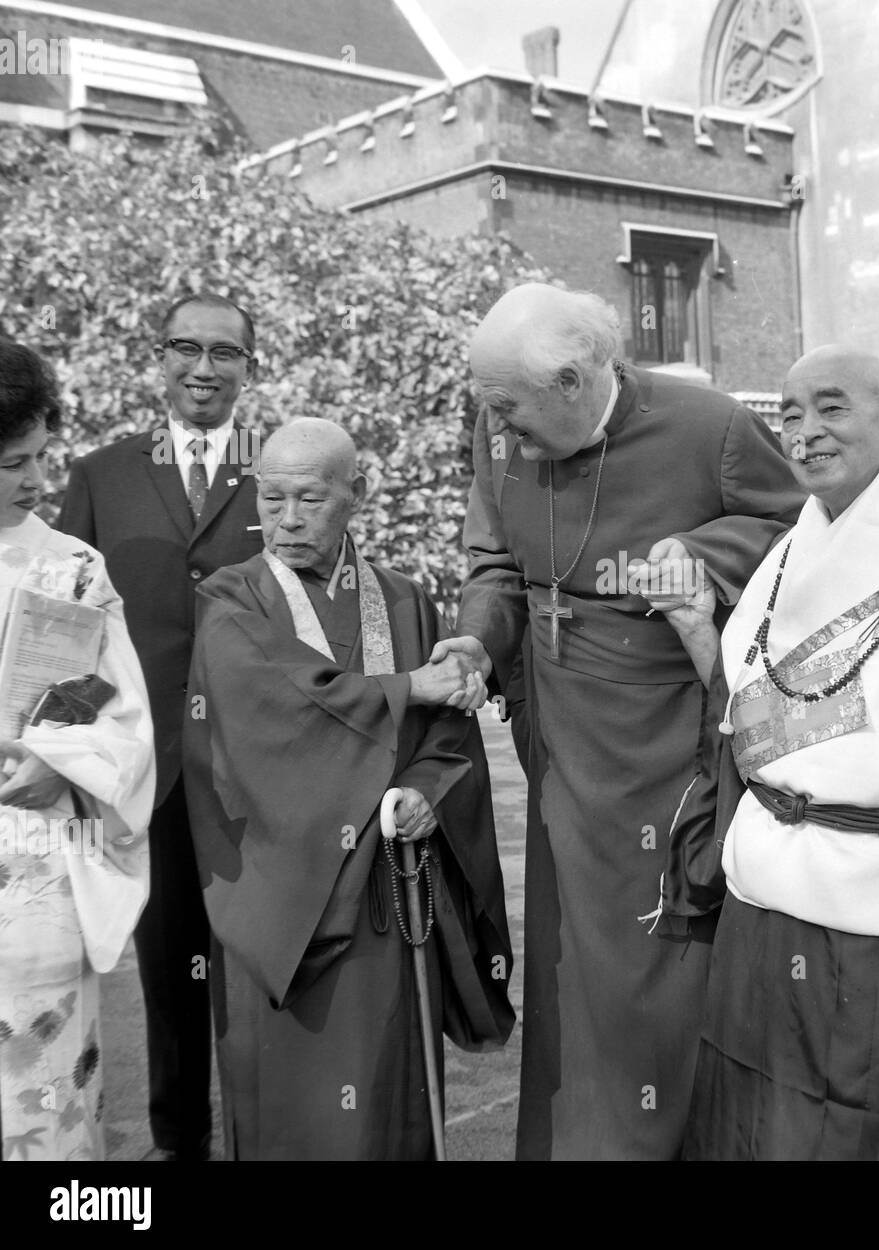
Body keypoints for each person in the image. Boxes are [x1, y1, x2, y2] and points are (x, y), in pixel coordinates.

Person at [435, 283, 803, 1159]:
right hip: (563, 745)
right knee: (576, 972)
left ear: (572, 379)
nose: (501, 435)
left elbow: (797, 530)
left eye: (512, 413)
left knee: (667, 974)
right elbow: (493, 562)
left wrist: (702, 557)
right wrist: (478, 645)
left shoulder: (708, 426)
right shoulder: (504, 431)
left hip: (669, 745)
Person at [650, 344, 879, 1159]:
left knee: (878, 1123)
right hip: (765, 892)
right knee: (757, 1120)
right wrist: (695, 632)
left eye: (832, 408)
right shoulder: (786, 554)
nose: (807, 431)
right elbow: (759, 724)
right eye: (789, 414)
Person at [183, 418, 512, 1161]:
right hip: (279, 890)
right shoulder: (232, 597)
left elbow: (447, 732)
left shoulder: (400, 600)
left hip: (386, 886)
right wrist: (405, 687)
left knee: (385, 1082)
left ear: (357, 494)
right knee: (286, 1103)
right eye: (272, 500)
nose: (288, 520)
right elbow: (265, 708)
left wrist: (431, 789)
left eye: (309, 499)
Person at [57, 291, 266, 1160]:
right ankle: (179, 1144)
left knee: (262, 970)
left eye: (225, 354)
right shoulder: (101, 476)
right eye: (187, 348)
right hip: (150, 773)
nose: (204, 369)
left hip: (260, 770)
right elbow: (66, 632)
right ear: (162, 357)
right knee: (168, 975)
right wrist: (66, 752)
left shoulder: (281, 472)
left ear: (250, 371)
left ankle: (269, 1135)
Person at [0, 339, 154, 1160]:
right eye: (11, 463)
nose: (35, 481)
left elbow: (123, 717)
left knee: (48, 1103)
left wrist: (57, 764)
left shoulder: (73, 569)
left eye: (40, 456)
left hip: (35, 875)